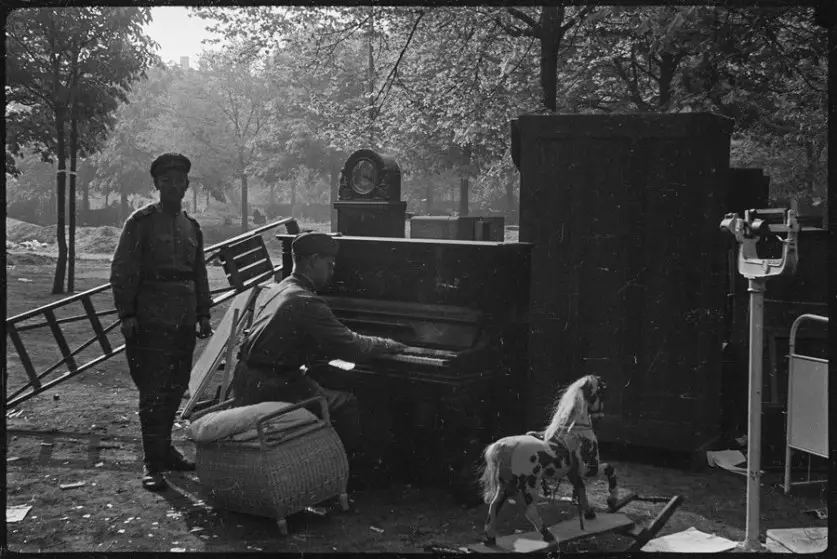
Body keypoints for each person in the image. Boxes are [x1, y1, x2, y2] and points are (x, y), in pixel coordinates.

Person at [230, 232, 406, 466]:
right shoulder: (305, 300)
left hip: (246, 380)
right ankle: (345, 471)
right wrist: (387, 344)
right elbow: (352, 347)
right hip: (275, 386)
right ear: (313, 260)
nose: (333, 272)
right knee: (347, 403)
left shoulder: (277, 290)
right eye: (329, 264)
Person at [111, 152, 213, 492]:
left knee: (174, 388)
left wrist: (203, 312)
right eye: (166, 180)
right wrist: (127, 314)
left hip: (182, 320)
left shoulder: (192, 227)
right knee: (152, 392)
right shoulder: (140, 223)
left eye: (179, 180)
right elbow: (124, 271)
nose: (173, 186)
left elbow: (199, 273)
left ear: (187, 185)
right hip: (150, 320)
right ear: (156, 184)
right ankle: (152, 463)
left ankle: (165, 449)